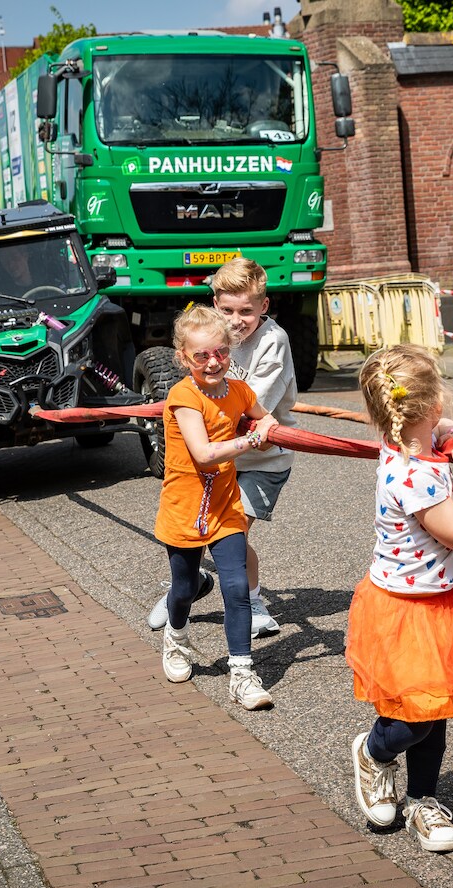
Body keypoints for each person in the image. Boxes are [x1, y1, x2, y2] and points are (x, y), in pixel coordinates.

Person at [346, 344, 453, 854]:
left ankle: (423, 800)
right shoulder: (412, 475)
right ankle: (373, 751)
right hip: (402, 609)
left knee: (436, 707)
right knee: (415, 716)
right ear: (430, 401)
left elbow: (441, 429)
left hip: (440, 601)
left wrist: (452, 434)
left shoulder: (415, 441)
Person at [146, 257, 295, 637]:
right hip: (217, 458)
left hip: (261, 458)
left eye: (246, 310)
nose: (236, 319)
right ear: (215, 303)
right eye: (227, 309)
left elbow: (245, 408)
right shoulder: (213, 338)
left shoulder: (272, 342)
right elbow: (198, 389)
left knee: (232, 534)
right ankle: (187, 585)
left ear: (264, 306)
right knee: (200, 533)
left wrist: (196, 427)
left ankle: (253, 600)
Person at [154, 304, 278, 710]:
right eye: (201, 355)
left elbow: (265, 417)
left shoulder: (239, 391)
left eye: (221, 352)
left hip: (225, 507)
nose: (213, 362)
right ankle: (176, 637)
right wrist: (251, 440)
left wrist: (263, 424)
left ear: (231, 349)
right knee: (185, 588)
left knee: (237, 586)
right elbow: (204, 453)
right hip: (185, 508)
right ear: (183, 358)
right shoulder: (183, 396)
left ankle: (241, 671)